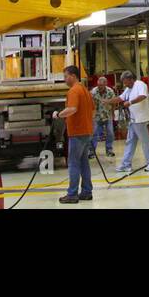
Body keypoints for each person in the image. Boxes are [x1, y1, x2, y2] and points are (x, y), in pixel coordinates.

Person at [52, 64, 94, 203]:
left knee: (74, 163)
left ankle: (72, 194)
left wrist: (59, 114)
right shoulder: (85, 90)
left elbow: (72, 109)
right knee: (84, 163)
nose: (65, 79)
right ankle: (87, 191)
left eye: (65, 76)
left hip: (77, 132)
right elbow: (91, 109)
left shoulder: (74, 91)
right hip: (87, 131)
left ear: (73, 76)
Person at [113, 71, 149, 173]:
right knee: (130, 142)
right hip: (133, 120)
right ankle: (126, 164)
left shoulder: (140, 85)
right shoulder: (129, 88)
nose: (125, 84)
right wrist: (106, 101)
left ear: (131, 79)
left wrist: (130, 102)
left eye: (126, 82)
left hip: (140, 119)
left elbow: (143, 96)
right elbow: (120, 98)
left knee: (144, 142)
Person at [89, 76, 116, 158]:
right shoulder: (93, 92)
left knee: (110, 132)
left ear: (105, 84)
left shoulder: (110, 92)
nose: (99, 87)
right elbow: (90, 104)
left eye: (101, 85)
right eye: (98, 85)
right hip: (96, 116)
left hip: (107, 115)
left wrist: (113, 112)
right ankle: (91, 151)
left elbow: (114, 102)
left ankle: (109, 150)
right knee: (94, 133)